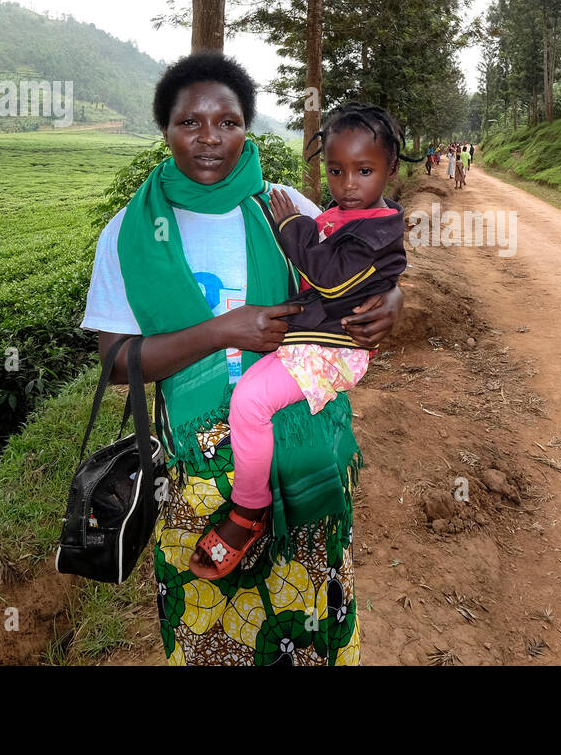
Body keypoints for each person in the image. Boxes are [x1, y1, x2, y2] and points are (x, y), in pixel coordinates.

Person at [81, 52, 403, 665]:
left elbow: (366, 266)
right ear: (165, 128)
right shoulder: (129, 232)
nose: (209, 138)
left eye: (227, 122)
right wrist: (221, 331)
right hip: (195, 476)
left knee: (305, 624)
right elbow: (117, 363)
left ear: (246, 128)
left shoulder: (284, 207)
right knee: (210, 635)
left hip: (299, 455)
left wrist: (394, 301)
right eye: (189, 122)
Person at [189, 103, 407, 580]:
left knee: (249, 401)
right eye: (335, 170)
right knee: (252, 400)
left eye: (364, 171)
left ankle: (249, 510)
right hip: (317, 340)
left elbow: (332, 277)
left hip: (331, 349)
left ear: (391, 169)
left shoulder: (372, 228)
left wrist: (291, 226)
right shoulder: (348, 214)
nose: (347, 185)